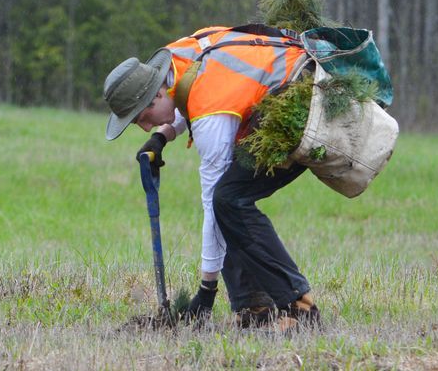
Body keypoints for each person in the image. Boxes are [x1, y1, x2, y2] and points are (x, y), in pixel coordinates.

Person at [103, 25, 320, 332]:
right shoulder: (174, 62)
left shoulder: (210, 119)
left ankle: (301, 308)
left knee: (227, 201)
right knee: (228, 200)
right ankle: (254, 307)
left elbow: (212, 203)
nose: (142, 127)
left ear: (156, 95)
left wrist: (206, 290)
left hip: (301, 105)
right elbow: (188, 97)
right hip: (284, 88)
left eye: (141, 118)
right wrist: (162, 135)